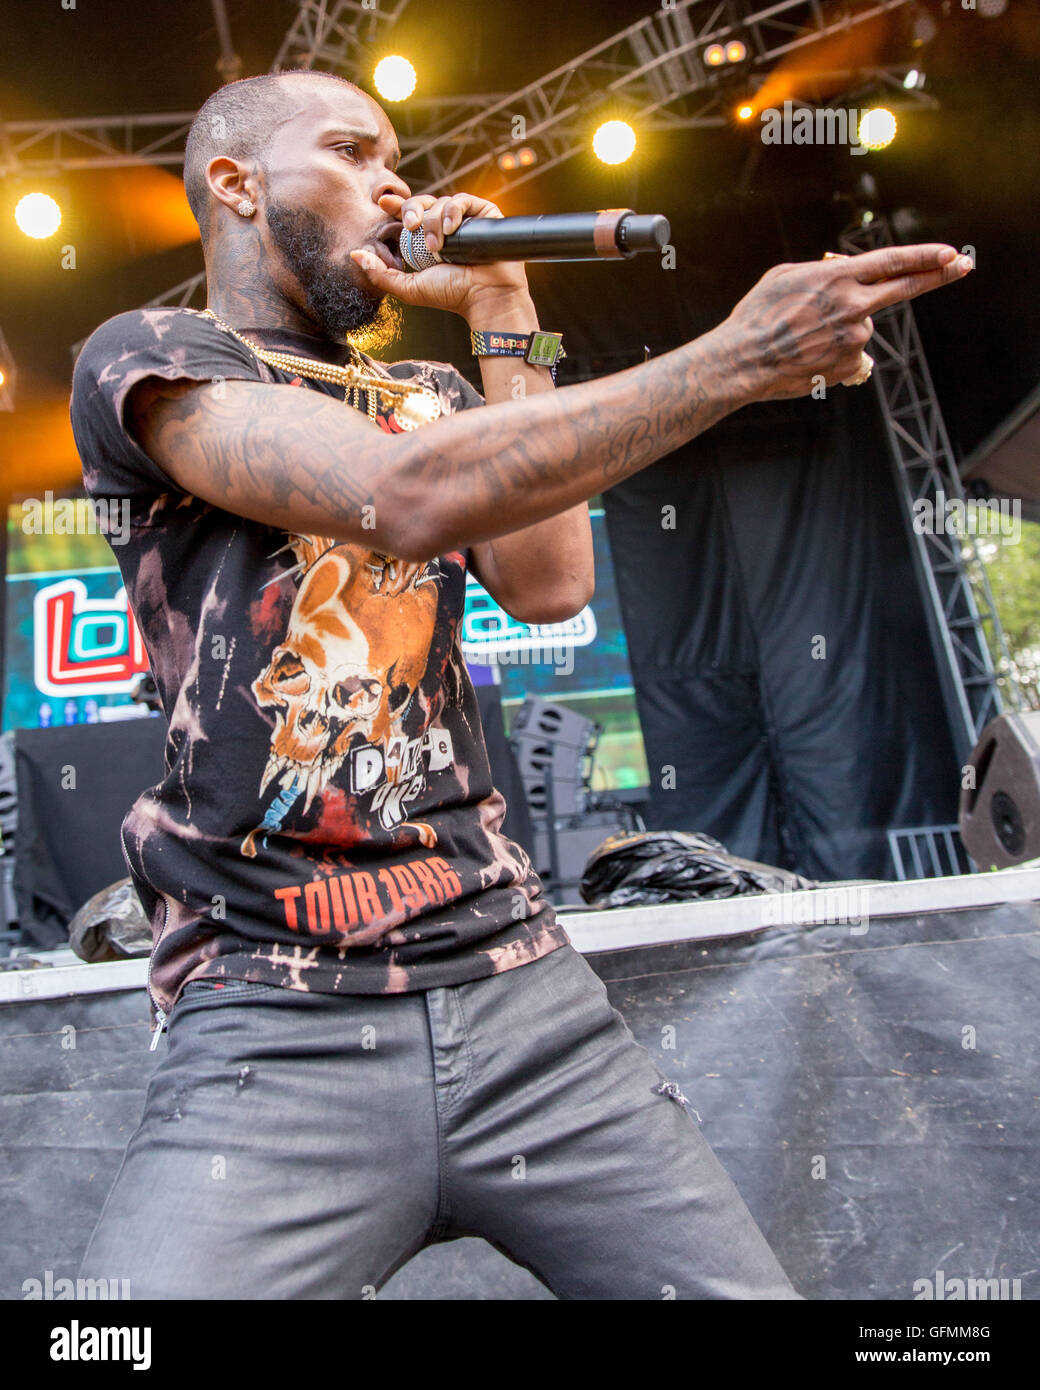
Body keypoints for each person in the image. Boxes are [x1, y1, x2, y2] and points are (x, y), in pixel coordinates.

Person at [70, 68, 972, 1301]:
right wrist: (731, 358)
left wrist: (505, 308)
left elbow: (549, 582)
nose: (394, 180)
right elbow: (410, 494)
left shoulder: (431, 397)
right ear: (234, 183)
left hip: (520, 997)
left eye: (398, 155)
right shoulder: (156, 358)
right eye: (350, 150)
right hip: (271, 1022)